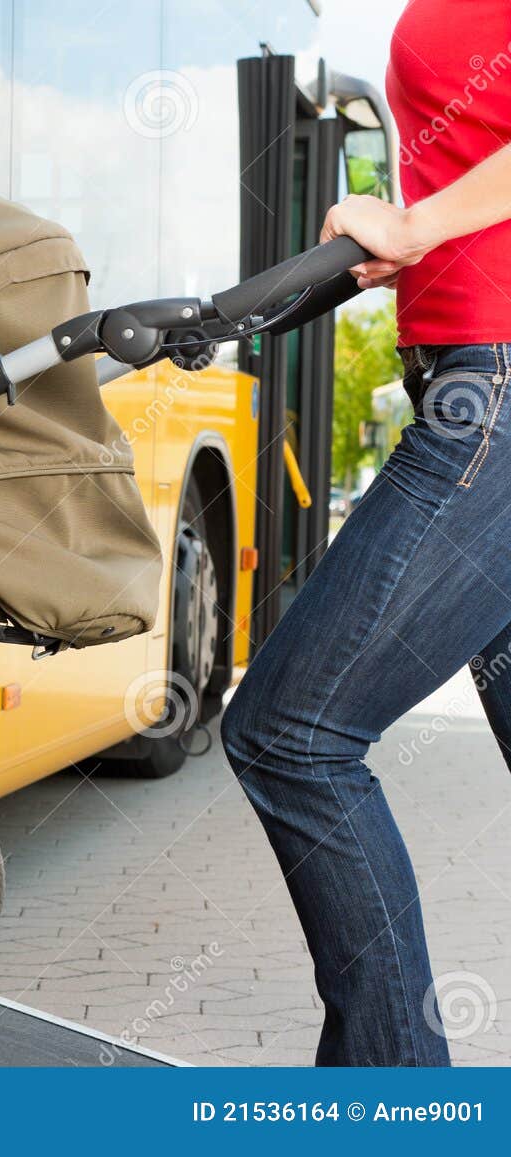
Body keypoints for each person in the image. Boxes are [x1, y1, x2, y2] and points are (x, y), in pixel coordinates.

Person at [221, 0, 511, 1066]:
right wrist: (401, 236)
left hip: (495, 393)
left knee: (290, 734)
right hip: (465, 372)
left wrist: (421, 226)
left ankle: (392, 1098)